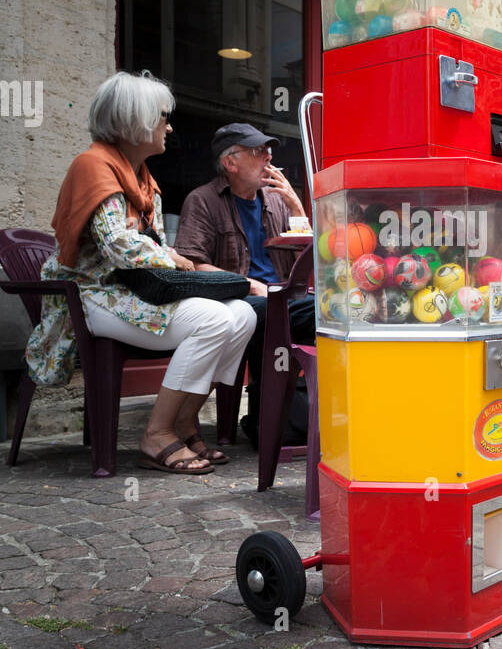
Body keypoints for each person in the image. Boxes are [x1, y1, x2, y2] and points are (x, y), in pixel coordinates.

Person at [26, 72, 256, 473]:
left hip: (135, 292)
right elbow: (120, 246)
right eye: (162, 117)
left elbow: (146, 247)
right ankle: (156, 434)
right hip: (95, 295)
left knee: (244, 313)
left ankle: (184, 418)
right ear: (134, 121)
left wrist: (155, 251)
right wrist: (165, 255)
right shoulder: (93, 165)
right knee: (215, 319)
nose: (169, 126)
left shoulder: (144, 179)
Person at [174, 124, 315, 449]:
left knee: (328, 310)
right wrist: (249, 286)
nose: (268, 157)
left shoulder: (275, 201)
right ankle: (270, 421)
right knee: (267, 312)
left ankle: (307, 417)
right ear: (230, 162)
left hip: (280, 298)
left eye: (269, 151)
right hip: (234, 302)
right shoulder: (203, 200)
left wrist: (294, 203)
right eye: (257, 151)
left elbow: (308, 248)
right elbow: (191, 263)